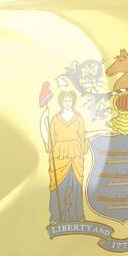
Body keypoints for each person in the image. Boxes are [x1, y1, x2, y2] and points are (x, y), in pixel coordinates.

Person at [47, 87, 87, 223]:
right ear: (61, 102)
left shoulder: (78, 118)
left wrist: (83, 150)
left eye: (70, 100)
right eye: (65, 100)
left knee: (75, 185)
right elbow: (51, 137)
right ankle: (56, 216)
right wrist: (50, 148)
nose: (68, 103)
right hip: (59, 155)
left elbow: (82, 136)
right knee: (59, 186)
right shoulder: (55, 119)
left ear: (73, 102)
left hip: (75, 155)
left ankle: (76, 215)